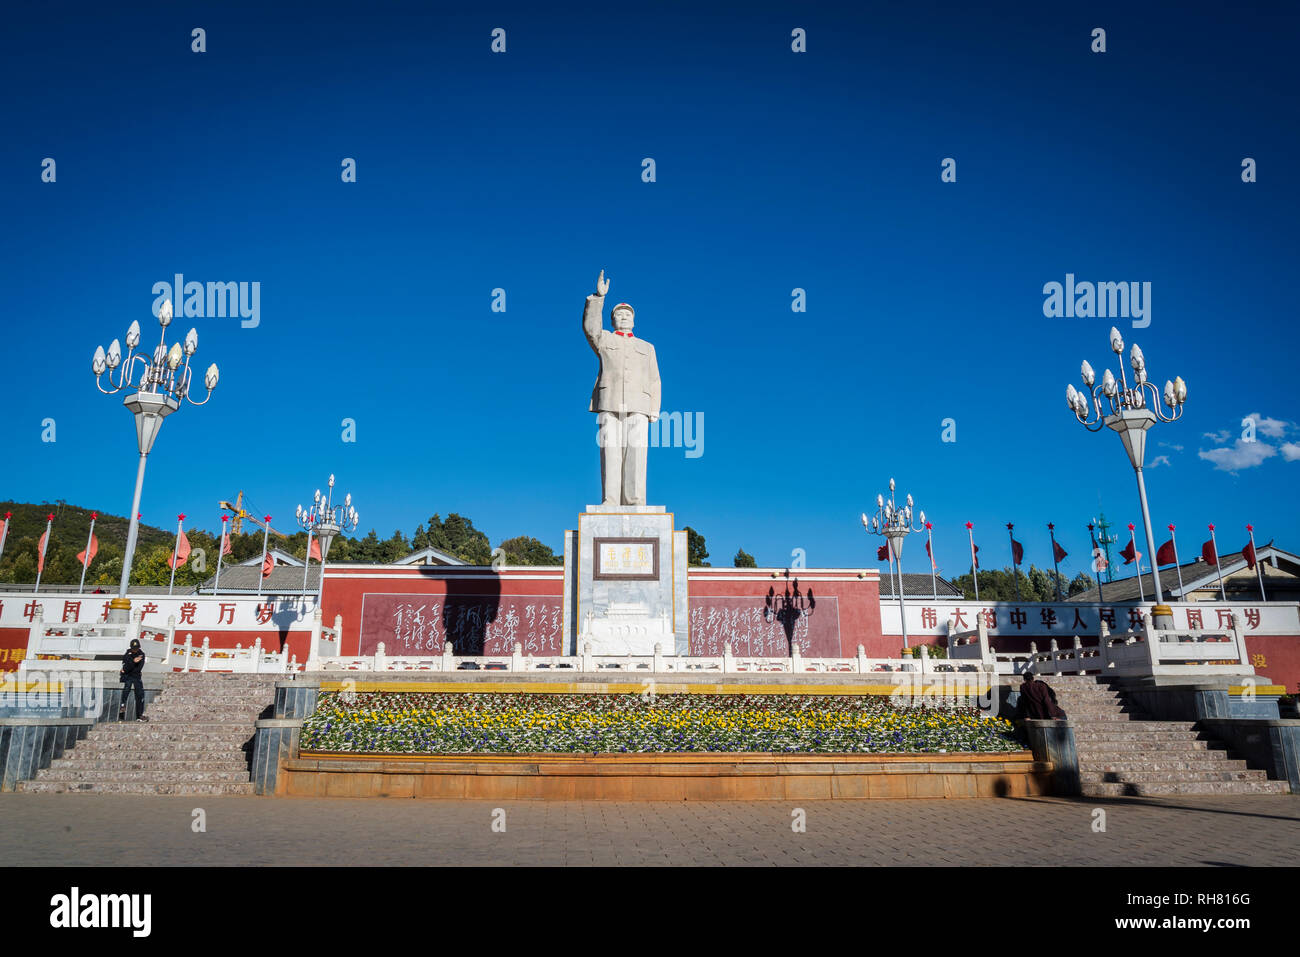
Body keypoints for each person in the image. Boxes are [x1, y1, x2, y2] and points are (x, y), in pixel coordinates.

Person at [582, 270, 662, 506]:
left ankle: (635, 499)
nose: (624, 317)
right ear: (613, 320)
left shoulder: (647, 347)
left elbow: (654, 379)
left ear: (634, 320)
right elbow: (590, 329)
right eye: (619, 314)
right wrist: (598, 297)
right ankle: (611, 499)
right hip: (609, 402)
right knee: (611, 452)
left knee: (636, 453)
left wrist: (654, 408)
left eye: (628, 314)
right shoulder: (605, 339)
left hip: (639, 405)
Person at [119, 638, 149, 722]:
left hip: (136, 676)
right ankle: (122, 711)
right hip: (127, 676)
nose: (135, 650)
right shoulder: (127, 653)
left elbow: (138, 668)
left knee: (140, 694)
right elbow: (125, 666)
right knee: (126, 690)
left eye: (136, 648)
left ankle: (139, 715)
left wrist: (130, 665)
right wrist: (133, 662)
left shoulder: (141, 654)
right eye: (133, 648)